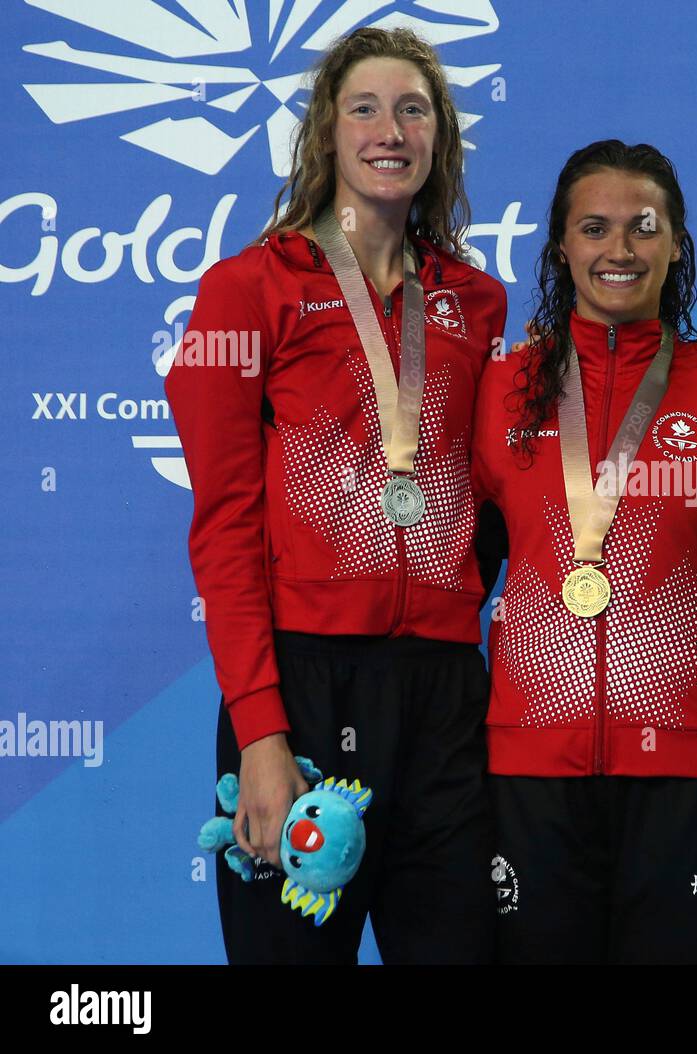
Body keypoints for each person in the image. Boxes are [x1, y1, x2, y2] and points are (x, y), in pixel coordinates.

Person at [165, 26, 507, 964]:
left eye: (413, 109)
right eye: (364, 107)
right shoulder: (244, 292)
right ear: (325, 134)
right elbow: (225, 529)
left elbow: (483, 495)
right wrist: (262, 737)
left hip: (443, 694)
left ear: (440, 138)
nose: (389, 130)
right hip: (304, 688)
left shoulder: (473, 302)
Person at [472, 140, 697, 964]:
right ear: (562, 245)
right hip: (530, 768)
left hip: (685, 771)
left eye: (643, 228)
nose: (619, 250)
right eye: (595, 228)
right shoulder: (500, 388)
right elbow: (453, 567)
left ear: (677, 243)